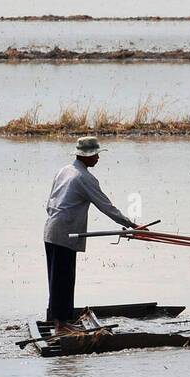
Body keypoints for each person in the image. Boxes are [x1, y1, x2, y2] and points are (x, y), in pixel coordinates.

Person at [42, 136, 138, 332]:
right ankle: (61, 324)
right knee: (64, 278)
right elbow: (106, 206)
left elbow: (50, 202)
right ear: (85, 156)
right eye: (95, 155)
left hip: (51, 229)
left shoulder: (64, 171)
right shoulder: (84, 178)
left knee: (57, 277)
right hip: (66, 232)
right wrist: (131, 224)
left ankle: (60, 319)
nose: (97, 159)